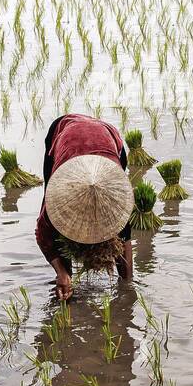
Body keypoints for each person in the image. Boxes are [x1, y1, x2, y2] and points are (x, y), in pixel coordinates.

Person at [35, 114, 134, 301]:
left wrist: (127, 288)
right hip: (65, 132)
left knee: (119, 224)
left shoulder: (119, 198)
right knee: (56, 227)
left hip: (107, 134)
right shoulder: (59, 195)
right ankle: (66, 281)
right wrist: (61, 272)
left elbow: (125, 235)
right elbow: (43, 234)